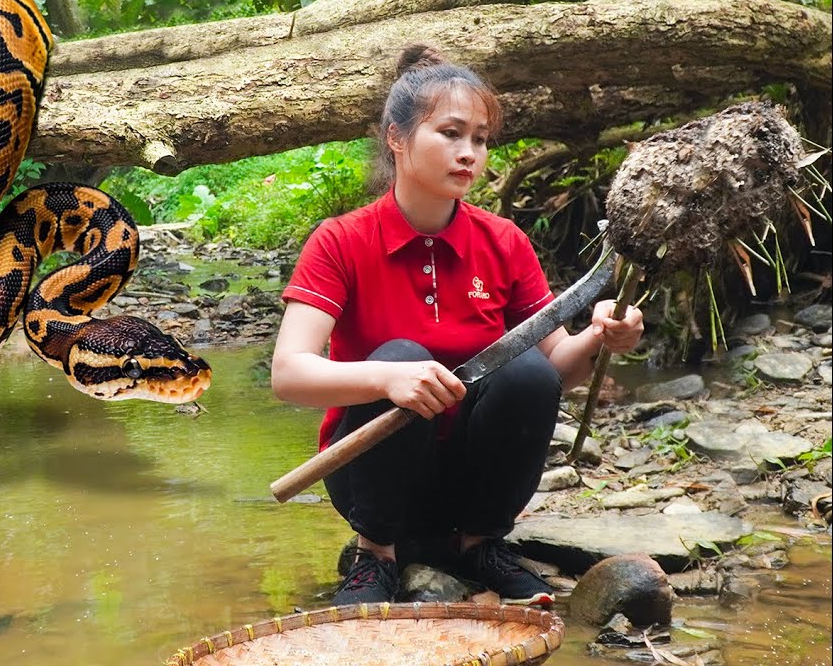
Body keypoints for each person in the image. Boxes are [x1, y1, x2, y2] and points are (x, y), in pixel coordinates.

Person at [271, 44, 644, 607]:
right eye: (450, 134)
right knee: (398, 358)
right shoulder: (341, 241)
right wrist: (386, 379)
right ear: (396, 138)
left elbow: (556, 373)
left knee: (527, 371)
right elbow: (289, 374)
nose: (469, 153)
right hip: (372, 483)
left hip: (475, 487)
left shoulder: (504, 242)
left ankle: (480, 546)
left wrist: (600, 336)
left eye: (481, 139)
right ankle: (375, 556)